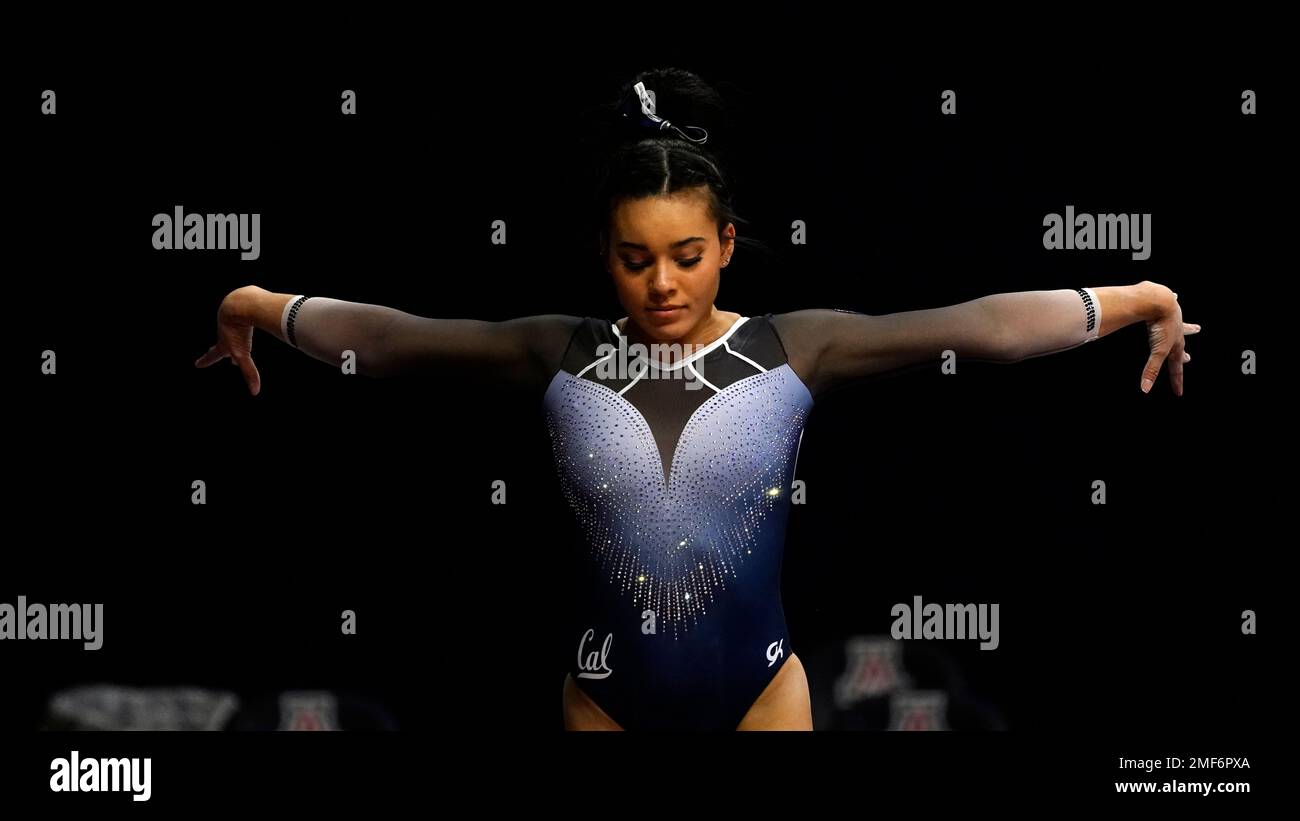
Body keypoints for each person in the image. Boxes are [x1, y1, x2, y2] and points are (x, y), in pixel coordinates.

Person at [197, 68, 1199, 730]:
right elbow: (389, 339)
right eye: (635, 260)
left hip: (763, 692)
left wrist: (1136, 296)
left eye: (686, 256)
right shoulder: (559, 350)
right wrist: (256, 301)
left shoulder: (792, 348)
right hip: (603, 697)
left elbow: (974, 325)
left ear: (725, 244)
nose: (663, 284)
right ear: (603, 253)